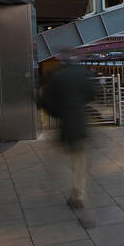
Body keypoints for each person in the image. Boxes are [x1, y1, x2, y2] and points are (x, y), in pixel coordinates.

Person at [38, 55, 92, 209]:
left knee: (62, 161)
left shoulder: (56, 79)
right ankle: (78, 195)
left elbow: (46, 104)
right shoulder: (82, 74)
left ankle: (71, 192)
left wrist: (58, 112)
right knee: (79, 161)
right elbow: (92, 94)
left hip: (65, 125)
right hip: (80, 123)